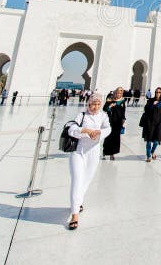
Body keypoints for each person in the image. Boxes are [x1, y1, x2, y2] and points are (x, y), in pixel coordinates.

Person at [67, 92, 110, 230]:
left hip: (93, 153)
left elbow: (108, 128)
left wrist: (99, 133)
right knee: (77, 180)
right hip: (78, 152)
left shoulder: (103, 116)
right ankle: (74, 214)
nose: (95, 106)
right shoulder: (82, 115)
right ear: (89, 103)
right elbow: (71, 129)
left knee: (85, 181)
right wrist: (85, 131)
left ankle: (77, 203)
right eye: (93, 104)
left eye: (98, 104)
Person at [140, 87, 161, 162]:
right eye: (156, 92)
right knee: (149, 140)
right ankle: (148, 156)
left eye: (159, 92)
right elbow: (146, 109)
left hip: (158, 123)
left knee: (156, 141)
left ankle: (152, 151)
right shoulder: (151, 100)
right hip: (149, 123)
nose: (158, 93)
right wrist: (152, 105)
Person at [102, 87, 127, 160]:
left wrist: (123, 119)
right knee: (108, 136)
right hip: (110, 121)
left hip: (118, 122)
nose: (119, 94)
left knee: (115, 138)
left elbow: (123, 111)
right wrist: (110, 106)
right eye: (118, 92)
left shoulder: (122, 101)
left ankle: (112, 154)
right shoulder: (110, 99)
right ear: (115, 92)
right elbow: (104, 108)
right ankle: (105, 151)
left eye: (120, 93)